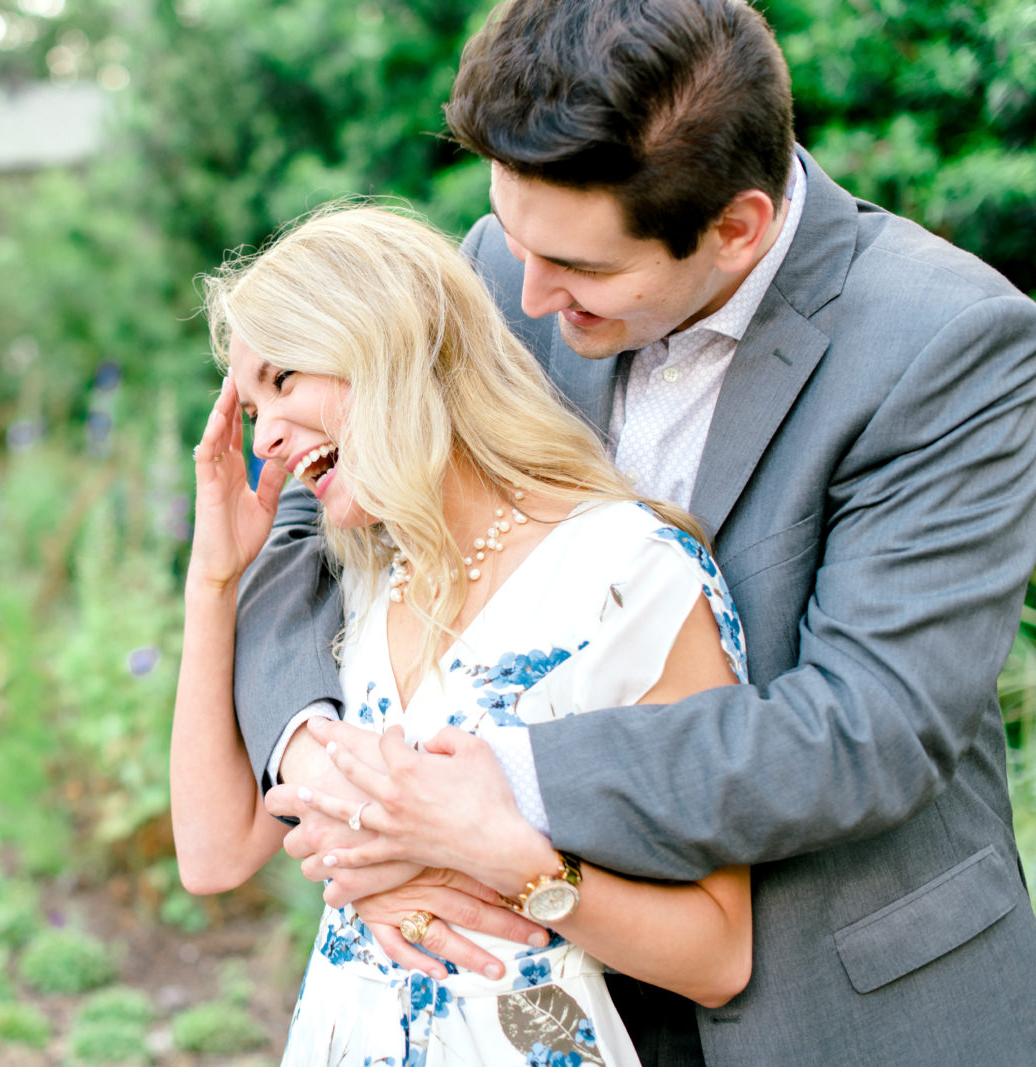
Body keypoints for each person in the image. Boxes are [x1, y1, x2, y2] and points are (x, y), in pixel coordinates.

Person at [239, 0, 1036, 1063]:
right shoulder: (505, 266)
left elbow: (869, 726)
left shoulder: (947, 345)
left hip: (841, 998)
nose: (524, 290)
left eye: (581, 270)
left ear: (736, 227)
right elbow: (303, 522)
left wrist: (494, 787)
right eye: (511, 235)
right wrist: (332, 771)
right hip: (541, 1000)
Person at [173, 204, 754, 1065]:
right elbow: (215, 855)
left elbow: (718, 954)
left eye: (284, 380)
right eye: (252, 407)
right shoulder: (369, 574)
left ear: (385, 342)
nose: (269, 439)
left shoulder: (634, 571)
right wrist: (214, 577)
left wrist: (514, 868)